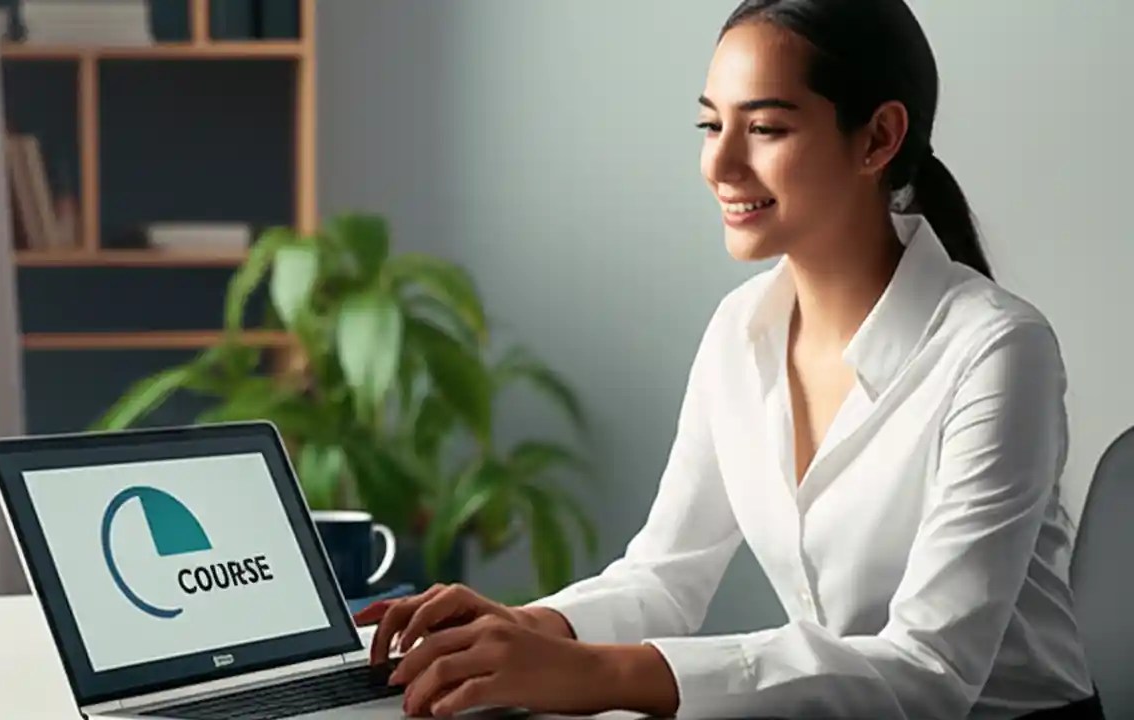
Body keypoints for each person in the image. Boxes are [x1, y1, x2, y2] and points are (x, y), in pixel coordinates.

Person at [354, 0, 1103, 717]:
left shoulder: (997, 350)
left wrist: (598, 672)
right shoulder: (739, 330)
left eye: (767, 128)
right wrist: (530, 629)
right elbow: (665, 578)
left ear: (878, 138)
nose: (720, 163)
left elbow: (929, 674)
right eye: (710, 124)